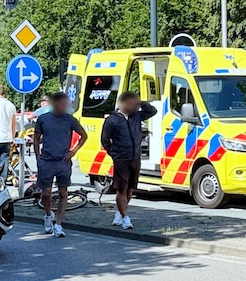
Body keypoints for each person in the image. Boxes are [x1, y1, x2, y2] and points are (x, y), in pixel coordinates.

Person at [100, 91, 157, 230]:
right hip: (121, 159)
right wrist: (113, 153)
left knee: (130, 188)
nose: (133, 106)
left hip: (135, 157)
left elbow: (152, 111)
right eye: (130, 103)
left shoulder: (136, 116)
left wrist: (140, 102)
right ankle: (125, 218)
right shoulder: (112, 120)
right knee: (121, 189)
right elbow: (105, 139)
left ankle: (120, 212)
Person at [33, 92, 87, 238]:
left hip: (63, 161)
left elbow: (84, 135)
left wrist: (73, 151)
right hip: (47, 160)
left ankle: (58, 223)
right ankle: (48, 214)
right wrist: (38, 157)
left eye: (65, 103)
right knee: (46, 193)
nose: (64, 106)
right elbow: (36, 138)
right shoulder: (43, 119)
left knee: (63, 193)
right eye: (61, 103)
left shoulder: (70, 119)